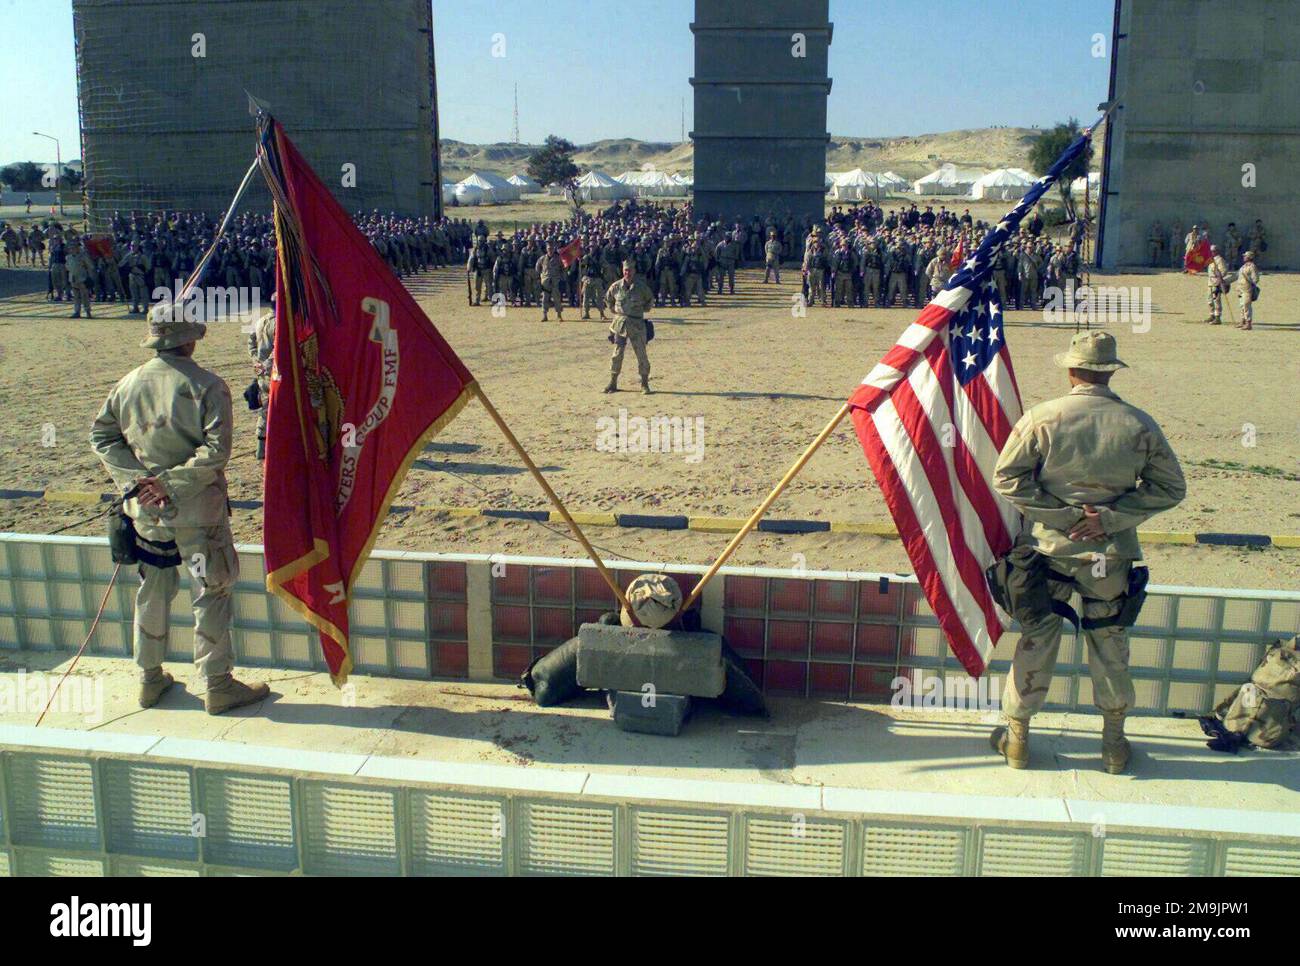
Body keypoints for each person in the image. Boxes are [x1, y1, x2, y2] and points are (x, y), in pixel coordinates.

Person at [991, 331, 1186, 774]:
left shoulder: (1044, 417)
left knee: (1038, 637)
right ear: (1110, 371)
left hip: (1051, 551)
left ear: (1072, 370)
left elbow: (1008, 479)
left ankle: (1018, 737)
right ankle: (1114, 745)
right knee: (1110, 642)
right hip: (1109, 557)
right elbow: (1171, 487)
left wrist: (1061, 517)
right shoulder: (1138, 423)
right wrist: (1109, 519)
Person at [90, 305, 270, 714]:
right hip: (197, 514)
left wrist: (138, 481)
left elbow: (102, 436)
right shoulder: (207, 385)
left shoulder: (127, 383)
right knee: (210, 590)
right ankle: (218, 684)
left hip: (148, 515)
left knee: (152, 589)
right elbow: (216, 452)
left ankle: (150, 679)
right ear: (189, 339)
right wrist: (166, 482)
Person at [604, 259, 654, 394]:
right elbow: (608, 299)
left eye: (630, 270)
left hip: (637, 325)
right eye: (626, 270)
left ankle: (644, 384)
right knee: (617, 354)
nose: (628, 273)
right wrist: (615, 312)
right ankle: (613, 382)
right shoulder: (615, 287)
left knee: (641, 354)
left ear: (634, 271)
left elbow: (649, 302)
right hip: (620, 325)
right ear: (623, 271)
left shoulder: (642, 287)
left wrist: (640, 311)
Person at [1205, 245, 1228, 325]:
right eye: (1211, 251)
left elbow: (1224, 271)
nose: (1211, 252)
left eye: (1213, 251)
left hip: (1216, 282)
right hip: (1210, 282)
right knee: (1209, 300)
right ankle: (1212, 315)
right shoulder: (1212, 260)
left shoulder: (1220, 260)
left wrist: (1219, 275)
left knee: (1216, 300)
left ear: (1217, 251)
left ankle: (1218, 317)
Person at [1236, 250, 1259, 331]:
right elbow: (1236, 276)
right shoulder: (1243, 267)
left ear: (1249, 257)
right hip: (1241, 289)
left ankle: (1248, 323)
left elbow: (1255, 279)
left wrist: (1250, 283)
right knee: (1242, 305)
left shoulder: (1252, 267)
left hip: (1247, 289)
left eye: (1245, 256)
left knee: (1246, 305)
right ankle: (1243, 321)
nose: (1244, 257)